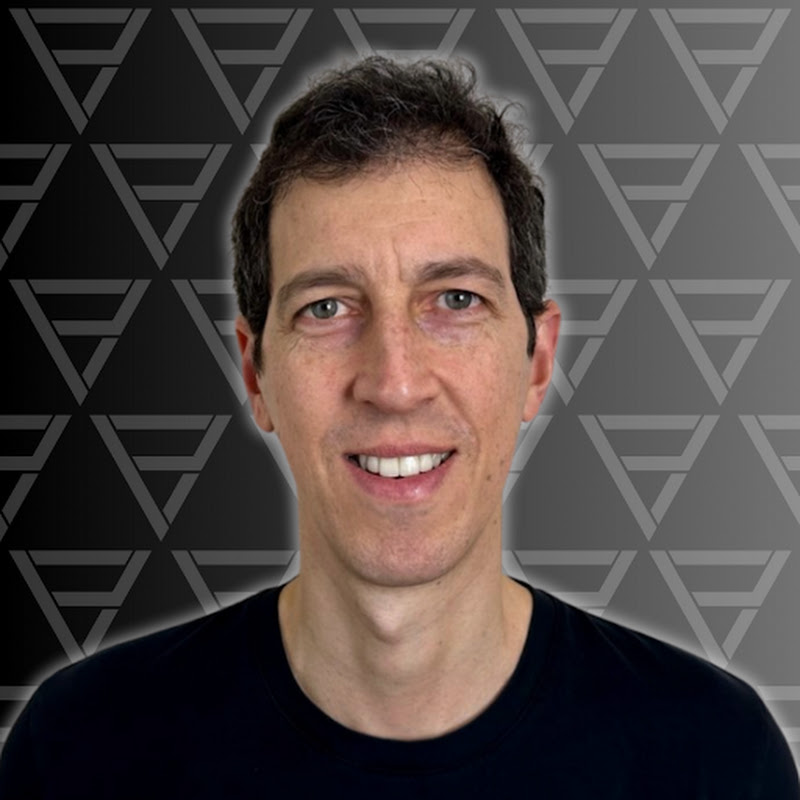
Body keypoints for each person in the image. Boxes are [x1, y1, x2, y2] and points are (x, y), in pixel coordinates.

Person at [0, 57, 796, 798]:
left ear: (537, 361)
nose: (395, 383)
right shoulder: (78, 752)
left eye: (455, 300)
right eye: (326, 308)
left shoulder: (718, 758)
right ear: (256, 374)